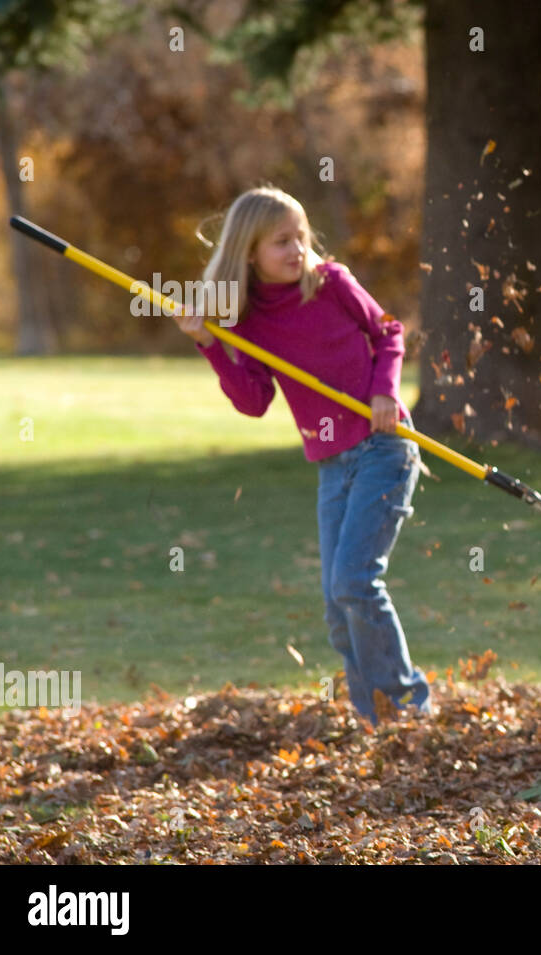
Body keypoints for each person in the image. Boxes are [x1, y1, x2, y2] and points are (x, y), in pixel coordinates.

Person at [170, 185, 432, 725]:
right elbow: (253, 400)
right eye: (280, 242)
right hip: (332, 464)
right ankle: (375, 719)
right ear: (249, 252)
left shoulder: (329, 284)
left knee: (355, 583)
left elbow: (388, 331)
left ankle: (409, 708)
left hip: (386, 445)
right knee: (339, 609)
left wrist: (385, 390)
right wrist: (210, 344)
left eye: (300, 237)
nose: (296, 250)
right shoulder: (246, 317)